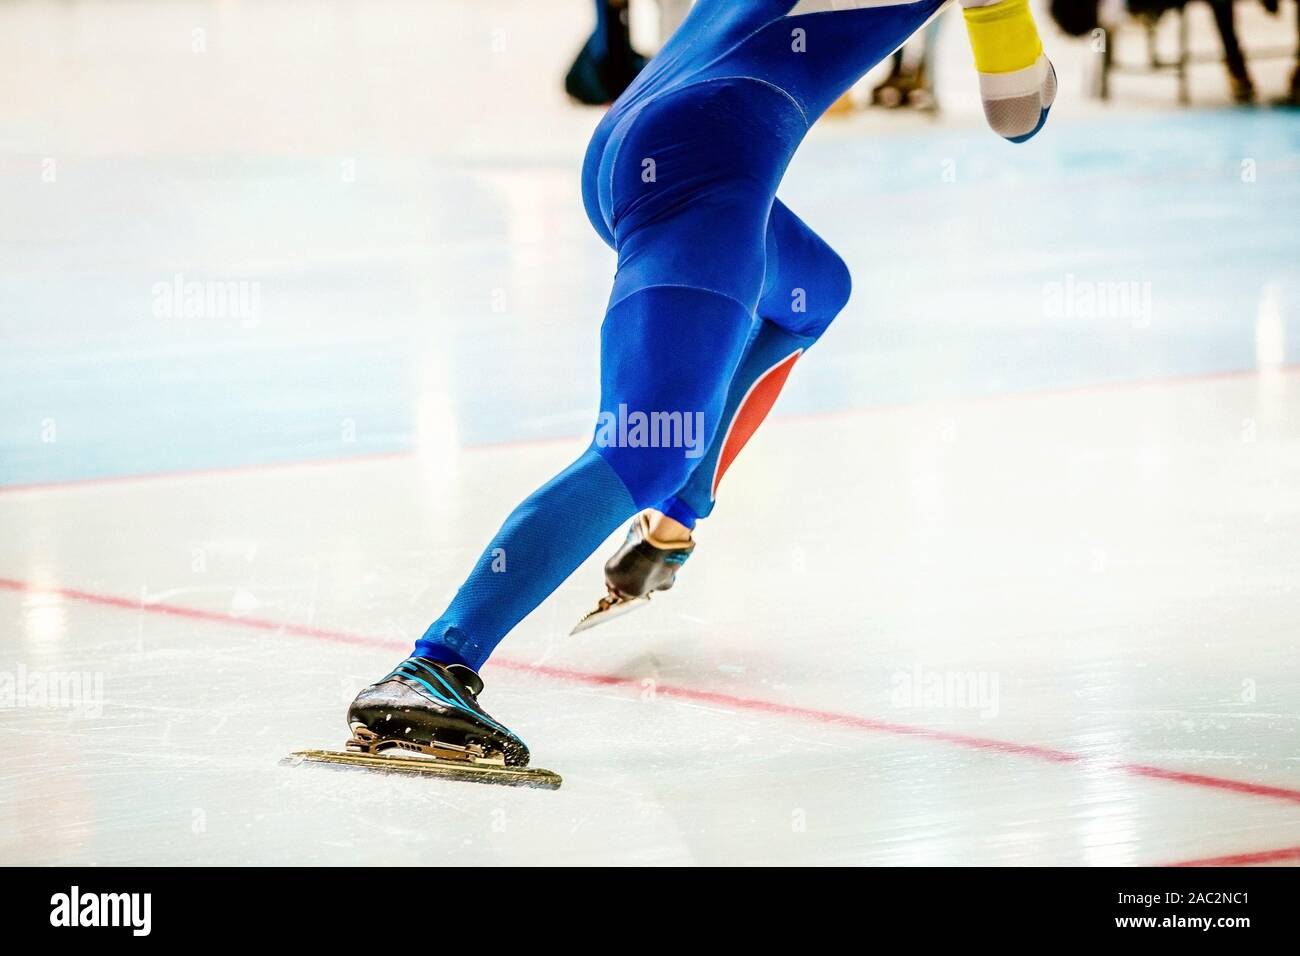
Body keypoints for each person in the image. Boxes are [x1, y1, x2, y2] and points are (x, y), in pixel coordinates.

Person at [347, 0, 1057, 768]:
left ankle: (674, 519)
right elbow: (1019, 114)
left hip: (637, 138)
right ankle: (434, 666)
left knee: (813, 290)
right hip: (708, 161)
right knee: (644, 450)